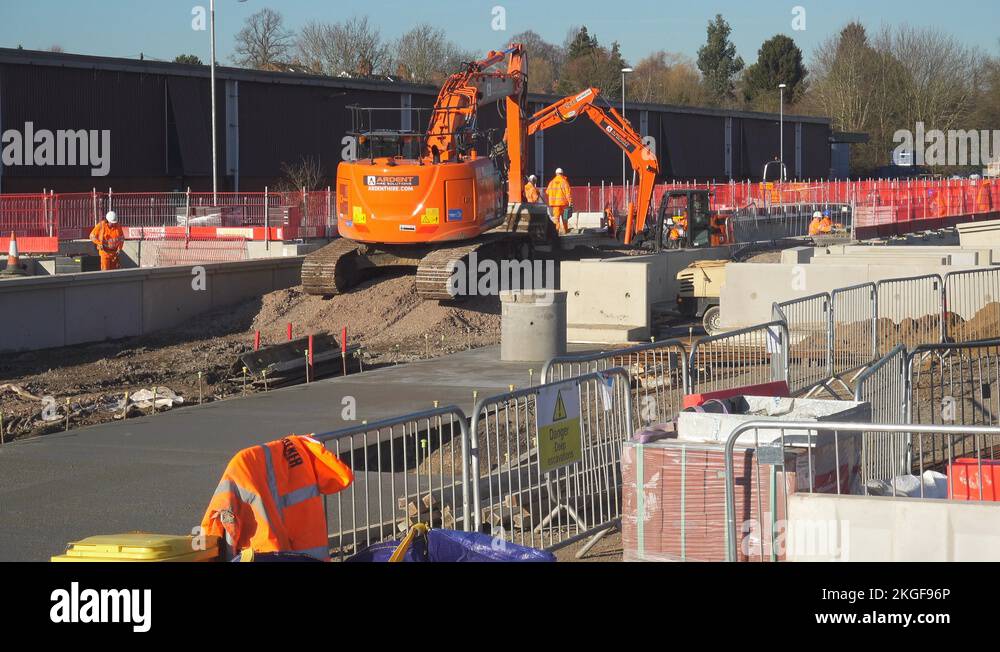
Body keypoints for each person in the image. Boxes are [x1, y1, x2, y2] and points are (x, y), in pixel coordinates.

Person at [201, 434, 354, 561]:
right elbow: (340, 479)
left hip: (264, 552)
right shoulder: (303, 458)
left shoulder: (244, 465)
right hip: (303, 555)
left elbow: (219, 517)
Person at [545, 168, 572, 235]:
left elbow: (547, 192)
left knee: (556, 219)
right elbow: (568, 194)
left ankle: (556, 232)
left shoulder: (551, 182)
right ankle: (565, 231)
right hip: (564, 205)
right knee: (565, 218)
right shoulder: (564, 182)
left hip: (555, 205)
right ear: (562, 173)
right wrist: (570, 202)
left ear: (556, 173)